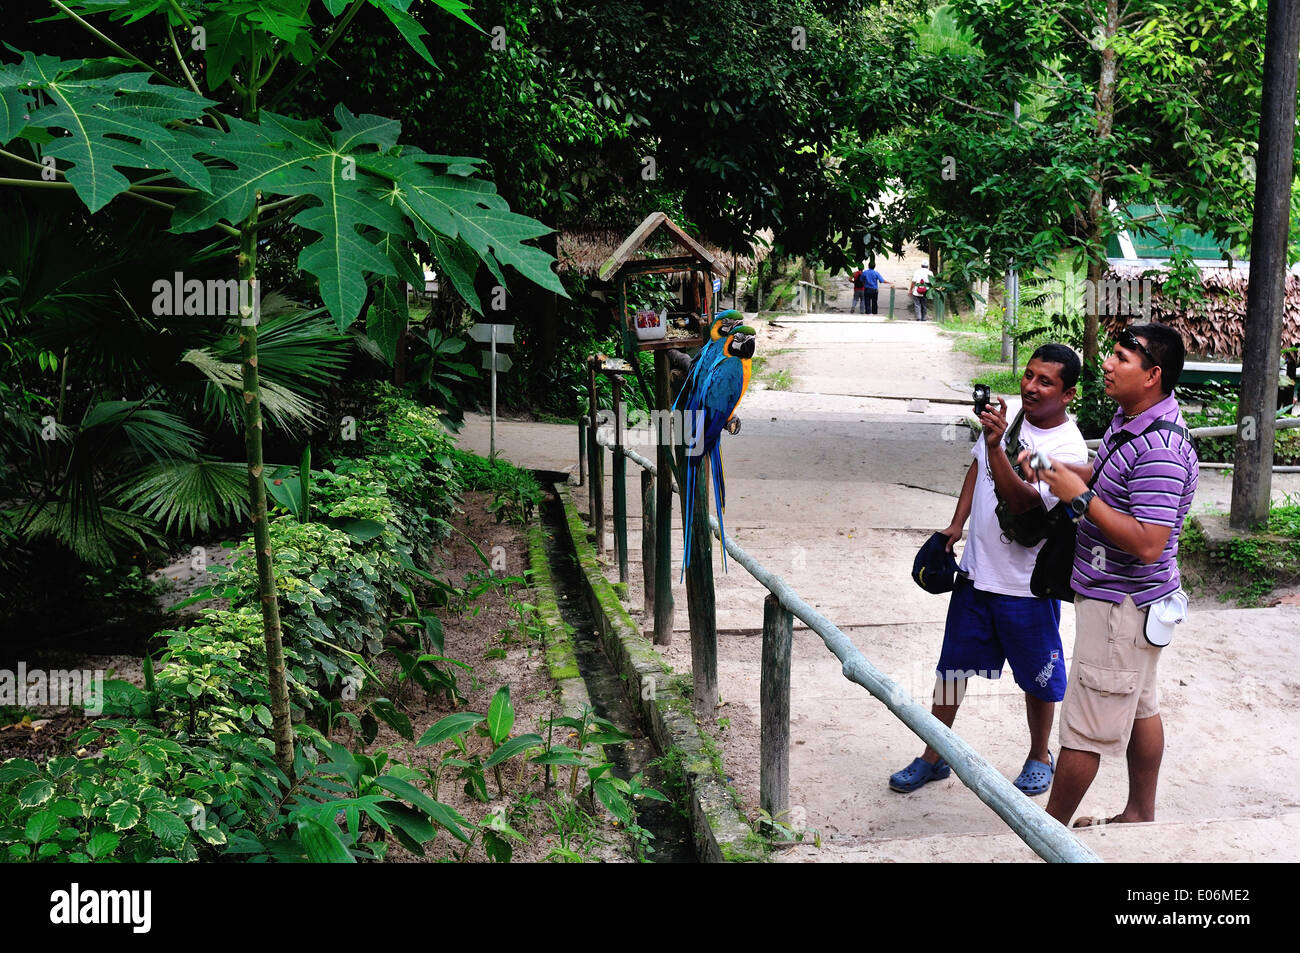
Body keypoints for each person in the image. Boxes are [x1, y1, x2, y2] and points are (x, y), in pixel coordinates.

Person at [890, 344, 1089, 795]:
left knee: (1038, 678)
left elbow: (1021, 499)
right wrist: (956, 525)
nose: (1031, 387)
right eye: (1029, 376)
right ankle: (934, 753)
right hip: (976, 574)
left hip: (1026, 586)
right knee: (952, 669)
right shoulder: (1011, 419)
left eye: (1046, 382)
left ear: (1069, 394)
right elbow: (978, 467)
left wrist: (999, 445)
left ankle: (1040, 754)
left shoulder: (1066, 451)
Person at [1024, 324, 1198, 828]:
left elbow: (1148, 543)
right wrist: (1050, 466)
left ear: (1152, 375)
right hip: (1136, 606)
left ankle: (1045, 836)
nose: (1106, 363)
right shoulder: (1133, 422)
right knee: (1141, 707)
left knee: (1084, 730)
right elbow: (1106, 480)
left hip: (1122, 606)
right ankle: (1139, 813)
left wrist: (1078, 496)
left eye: (1121, 358)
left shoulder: (1159, 449)